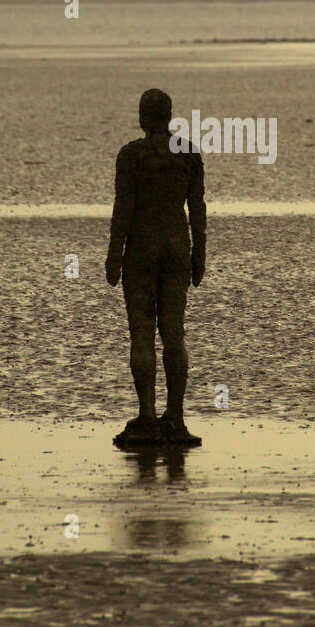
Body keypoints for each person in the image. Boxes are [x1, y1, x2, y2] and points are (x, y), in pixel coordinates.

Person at [106, 88, 206, 446]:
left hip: (141, 249)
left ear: (142, 118)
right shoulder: (188, 153)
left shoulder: (131, 155)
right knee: (174, 332)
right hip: (178, 245)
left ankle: (148, 416)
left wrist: (113, 257)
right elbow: (197, 209)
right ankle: (175, 417)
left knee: (143, 333)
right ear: (169, 116)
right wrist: (200, 255)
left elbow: (123, 210)